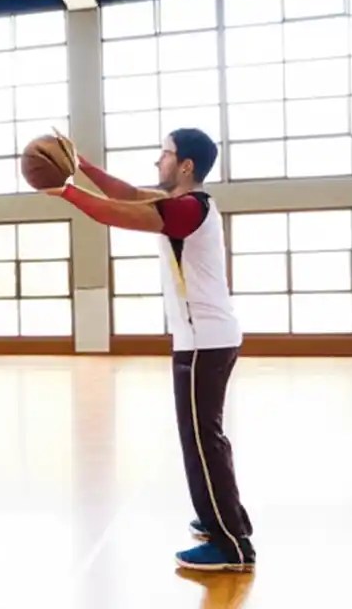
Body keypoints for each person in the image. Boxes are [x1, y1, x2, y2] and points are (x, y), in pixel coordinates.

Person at [45, 127, 254, 573]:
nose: (156, 162)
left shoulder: (187, 210)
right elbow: (123, 193)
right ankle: (227, 519)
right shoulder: (187, 205)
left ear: (186, 166)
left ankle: (230, 545)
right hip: (205, 340)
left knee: (201, 442)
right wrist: (80, 165)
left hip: (204, 343)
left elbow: (113, 212)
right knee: (205, 439)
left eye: (164, 154)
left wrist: (64, 191)